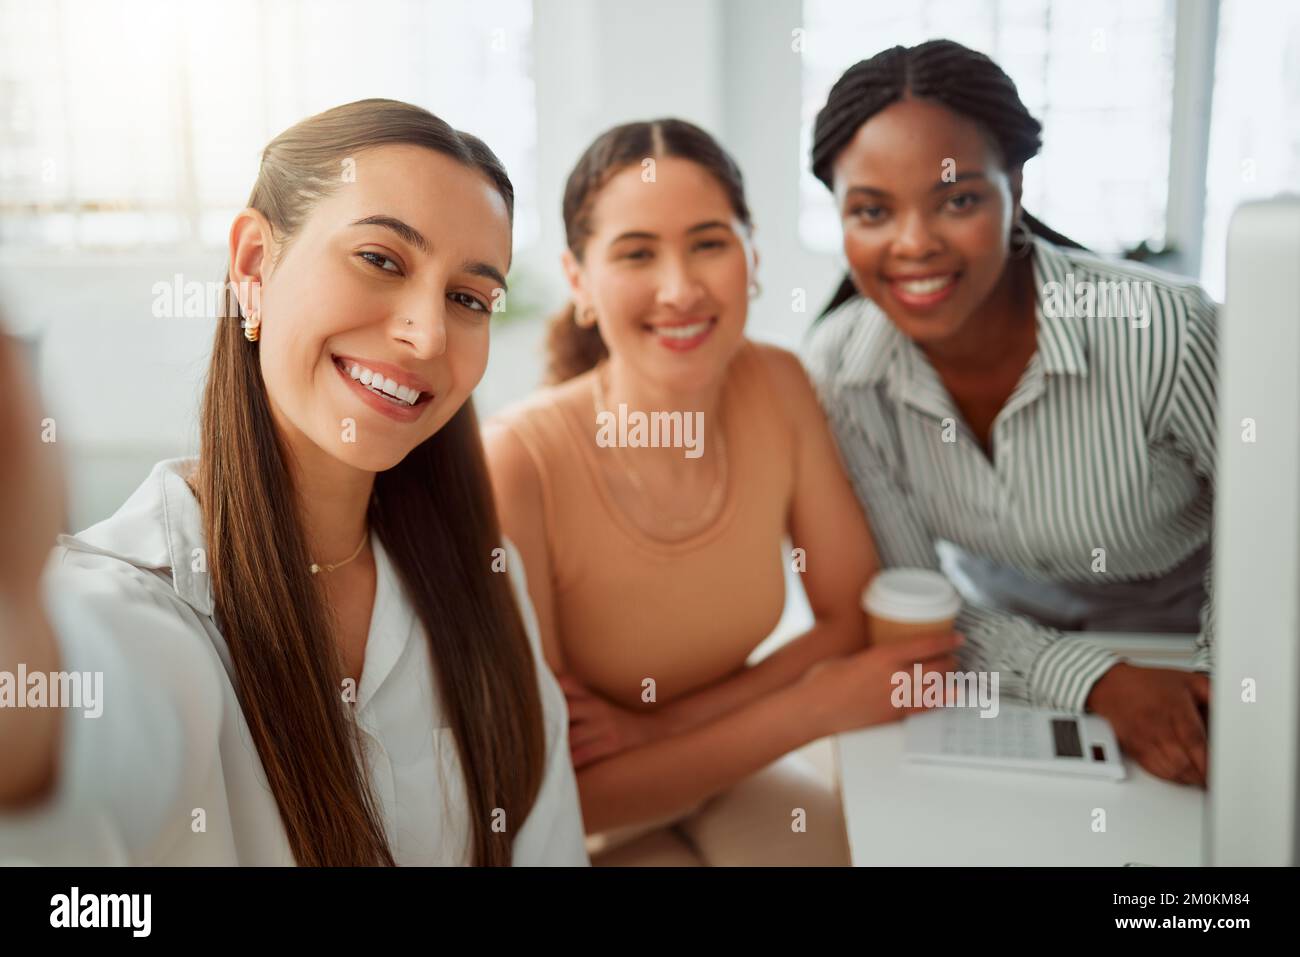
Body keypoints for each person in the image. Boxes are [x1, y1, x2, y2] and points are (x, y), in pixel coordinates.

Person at [0, 99, 587, 865]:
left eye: (467, 298)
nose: (427, 334)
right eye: (381, 259)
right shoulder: (134, 595)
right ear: (254, 266)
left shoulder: (484, 579)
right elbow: (82, 724)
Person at [484, 118, 961, 866]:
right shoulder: (518, 458)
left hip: (727, 770)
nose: (680, 289)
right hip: (584, 824)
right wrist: (814, 706)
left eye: (709, 243)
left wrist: (657, 725)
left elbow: (845, 620)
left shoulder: (779, 383)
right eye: (637, 253)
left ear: (752, 257)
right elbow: (560, 791)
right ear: (579, 281)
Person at [804, 40, 1217, 788]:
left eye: (958, 200)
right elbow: (915, 599)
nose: (913, 244)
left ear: (1015, 189)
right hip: (1004, 655)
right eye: (871, 210)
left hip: (1192, 642)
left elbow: (1276, 538)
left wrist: (1224, 684)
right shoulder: (840, 374)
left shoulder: (1165, 332)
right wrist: (1096, 680)